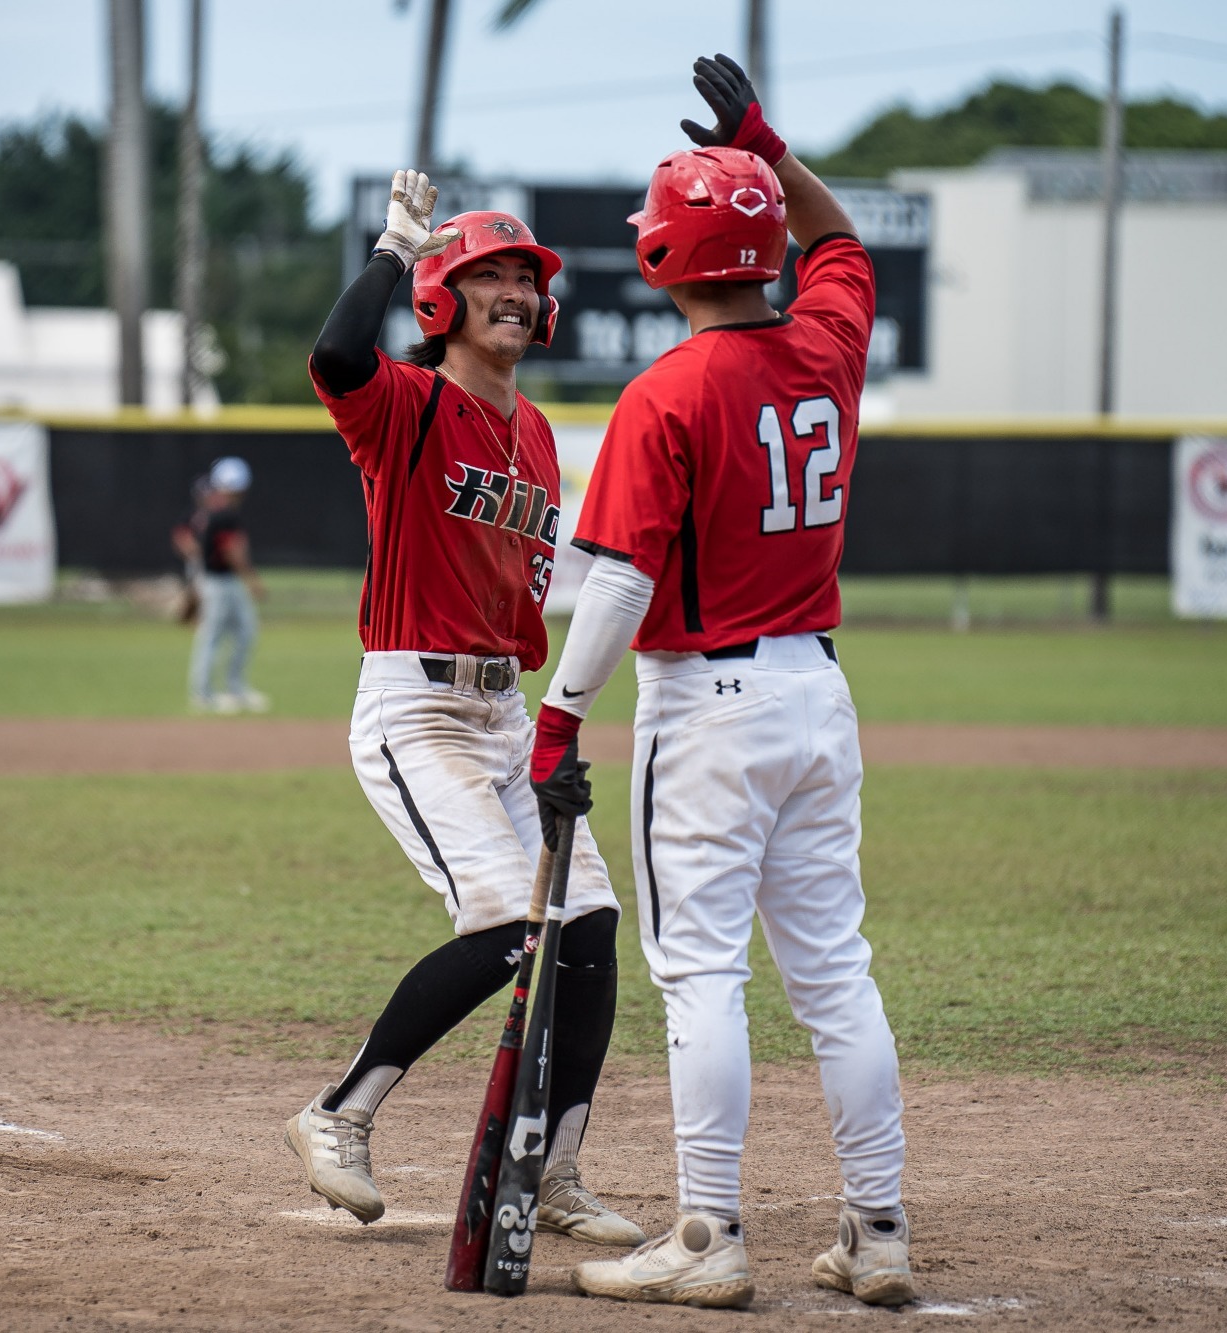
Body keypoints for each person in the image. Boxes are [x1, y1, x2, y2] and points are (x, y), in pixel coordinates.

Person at [528, 57, 915, 1309]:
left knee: (700, 973)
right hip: (817, 694)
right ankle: (876, 1230)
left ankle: (706, 1234)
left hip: (705, 708)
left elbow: (620, 584)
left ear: (663, 257)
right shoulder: (827, 343)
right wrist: (767, 146)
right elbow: (838, 239)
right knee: (835, 973)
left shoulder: (665, 392)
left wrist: (557, 716)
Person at [286, 169, 641, 1246]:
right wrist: (393, 252)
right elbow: (335, 359)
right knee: (501, 924)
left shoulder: (536, 434)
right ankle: (337, 1112)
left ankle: (554, 1170)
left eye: (527, 279)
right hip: (417, 707)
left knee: (588, 925)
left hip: (505, 713)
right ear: (443, 299)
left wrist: (545, 723)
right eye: (490, 275)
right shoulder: (408, 402)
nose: (515, 294)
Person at [174, 456, 268, 714]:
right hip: (218, 582)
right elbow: (231, 551)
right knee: (212, 636)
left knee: (245, 632)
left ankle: (236, 690)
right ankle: (203, 694)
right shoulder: (223, 513)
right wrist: (252, 580)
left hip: (224, 580)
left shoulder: (212, 510)